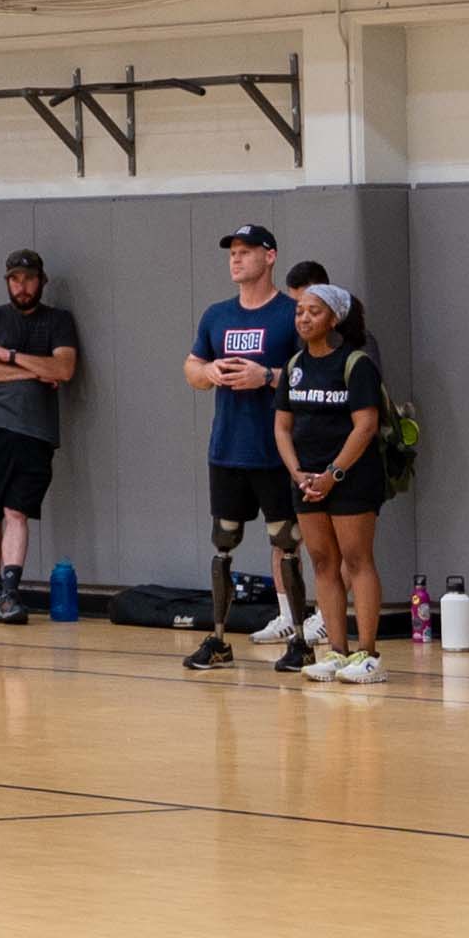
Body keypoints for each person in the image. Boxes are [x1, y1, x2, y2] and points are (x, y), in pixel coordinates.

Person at [180, 224, 314, 671]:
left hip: (274, 450)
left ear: (270, 256)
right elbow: (192, 366)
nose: (236, 259)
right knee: (223, 541)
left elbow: (311, 373)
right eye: (232, 253)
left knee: (286, 540)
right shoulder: (217, 315)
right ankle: (218, 639)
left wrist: (268, 377)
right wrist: (210, 373)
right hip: (228, 447)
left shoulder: (291, 313)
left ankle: (300, 639)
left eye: (246, 252)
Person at [275, 278, 390, 682]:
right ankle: (337, 652)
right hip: (307, 481)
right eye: (299, 311)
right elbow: (282, 428)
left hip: (351, 478)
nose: (304, 318)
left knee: (357, 560)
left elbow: (366, 425)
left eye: (314, 311)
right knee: (323, 562)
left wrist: (333, 474)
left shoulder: (355, 364)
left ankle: (368, 654)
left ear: (334, 318)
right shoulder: (293, 367)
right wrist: (297, 472)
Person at [0, 251, 77, 622]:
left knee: (18, 510)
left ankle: (11, 594)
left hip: (36, 431)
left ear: (41, 281)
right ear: (7, 282)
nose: (22, 286)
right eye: (15, 279)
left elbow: (64, 367)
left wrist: (11, 357)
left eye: (28, 279)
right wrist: (35, 372)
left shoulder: (58, 321)